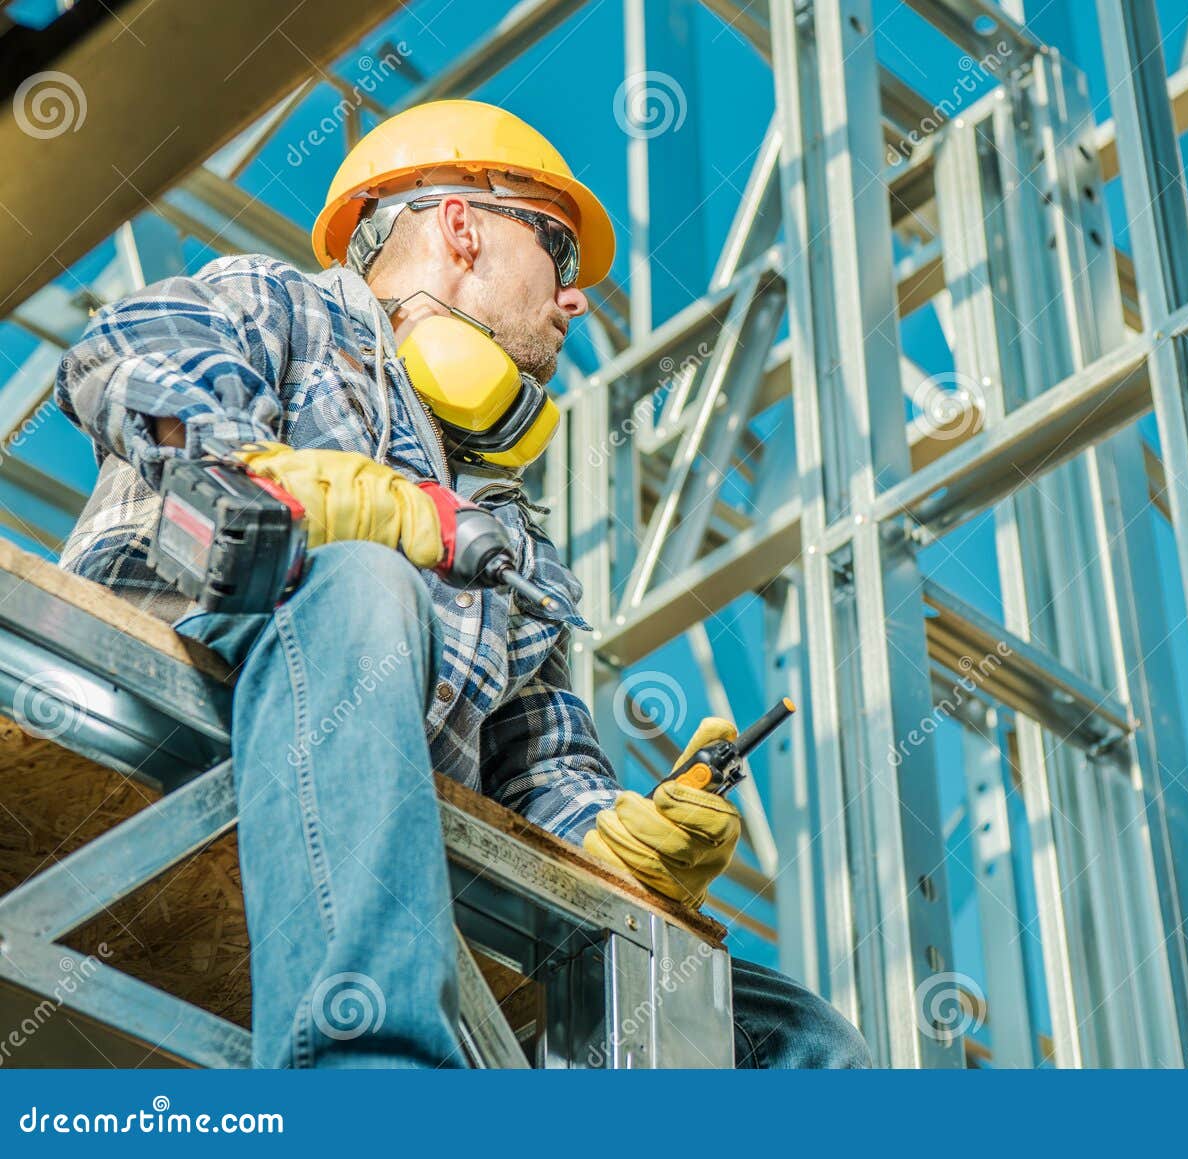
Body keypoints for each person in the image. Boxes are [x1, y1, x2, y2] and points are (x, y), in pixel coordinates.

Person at [52, 98, 869, 1071]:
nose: (574, 300)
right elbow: (126, 355)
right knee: (360, 578)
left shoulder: (509, 534)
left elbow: (540, 778)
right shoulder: (283, 309)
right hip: (169, 727)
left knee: (794, 1037)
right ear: (461, 225)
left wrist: (623, 835)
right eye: (559, 256)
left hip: (400, 859)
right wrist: (255, 473)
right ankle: (369, 1075)